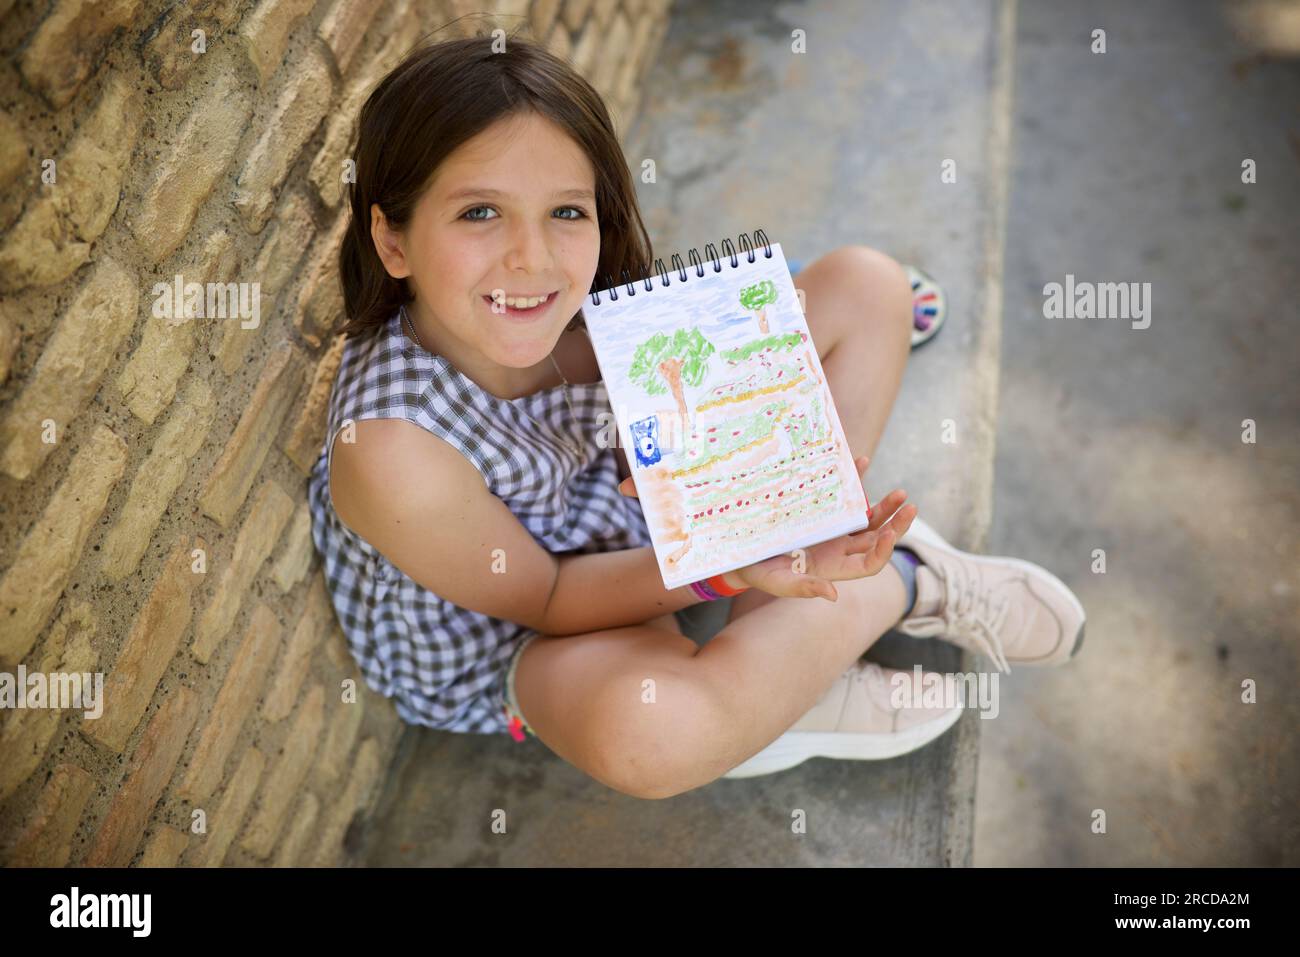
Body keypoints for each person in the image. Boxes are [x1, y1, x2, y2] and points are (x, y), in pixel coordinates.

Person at [306, 33, 1085, 800]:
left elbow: (698, 358)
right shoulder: (389, 448)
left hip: (641, 507)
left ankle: (782, 658)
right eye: (480, 212)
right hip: (537, 631)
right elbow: (545, 595)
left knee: (869, 286)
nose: (532, 256)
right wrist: (725, 568)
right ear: (393, 239)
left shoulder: (578, 295)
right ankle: (896, 587)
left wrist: (754, 394)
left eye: (567, 212)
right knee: (650, 732)